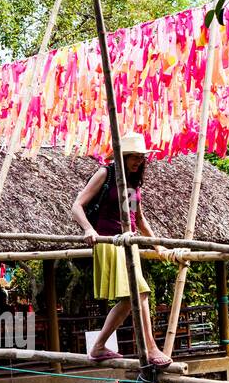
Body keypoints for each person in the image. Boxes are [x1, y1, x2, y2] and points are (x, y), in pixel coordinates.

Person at [71, 132, 173, 367]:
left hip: (130, 244)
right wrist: (89, 230)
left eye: (141, 157)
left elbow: (139, 219)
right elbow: (77, 205)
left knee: (129, 300)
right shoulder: (106, 173)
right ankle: (151, 348)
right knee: (142, 293)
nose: (138, 161)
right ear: (123, 156)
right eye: (134, 157)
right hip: (111, 242)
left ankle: (98, 346)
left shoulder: (133, 182)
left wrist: (158, 245)